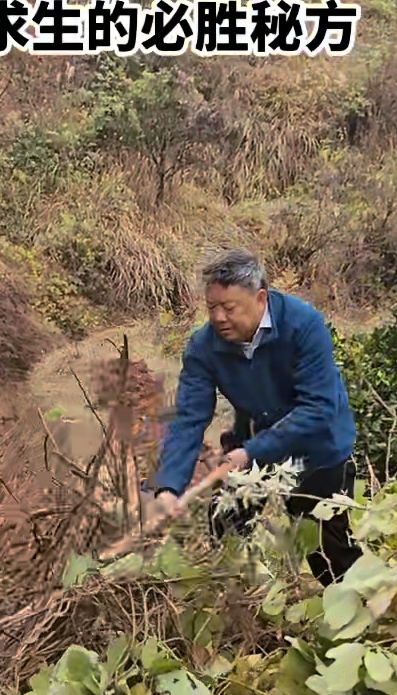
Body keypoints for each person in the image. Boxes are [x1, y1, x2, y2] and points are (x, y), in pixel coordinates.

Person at [149, 249, 361, 586]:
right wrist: (168, 487)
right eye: (211, 308)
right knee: (227, 526)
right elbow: (189, 418)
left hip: (319, 446)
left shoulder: (303, 325)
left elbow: (319, 407)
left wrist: (250, 452)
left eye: (228, 308)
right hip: (255, 440)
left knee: (326, 549)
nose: (218, 317)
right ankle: (242, 609)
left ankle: (361, 612)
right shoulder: (203, 347)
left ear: (260, 298)